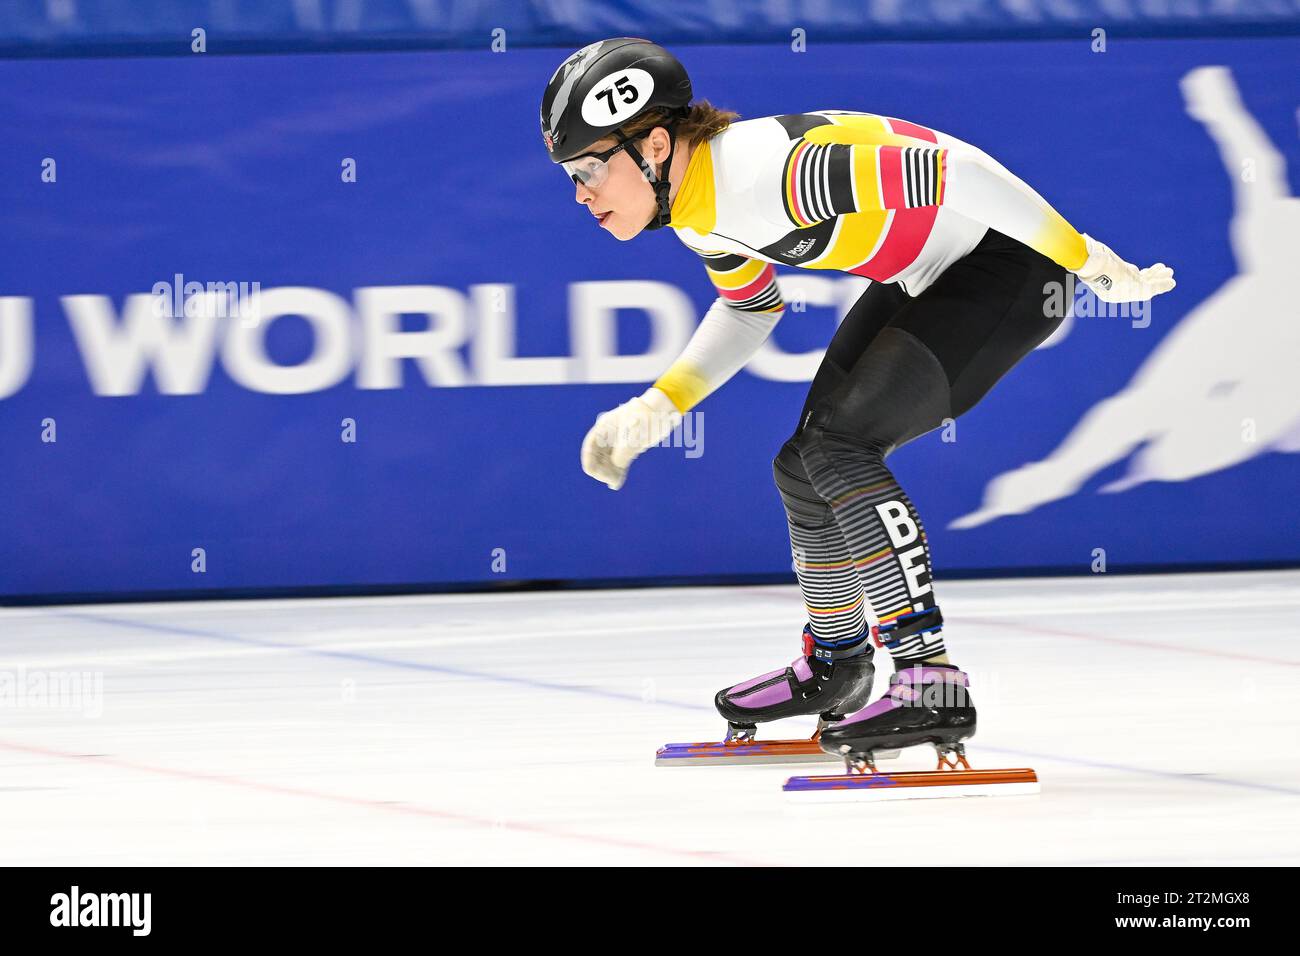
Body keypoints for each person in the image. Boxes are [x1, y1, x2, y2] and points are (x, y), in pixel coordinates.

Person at [540, 38, 1175, 766]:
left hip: (1011, 269)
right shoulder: (695, 205)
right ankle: (839, 664)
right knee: (800, 466)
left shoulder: (766, 176)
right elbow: (751, 310)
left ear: (654, 143)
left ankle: (929, 679)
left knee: (837, 448)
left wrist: (1082, 258)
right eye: (572, 173)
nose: (581, 192)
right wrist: (657, 407)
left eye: (589, 167)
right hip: (929, 272)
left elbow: (961, 172)